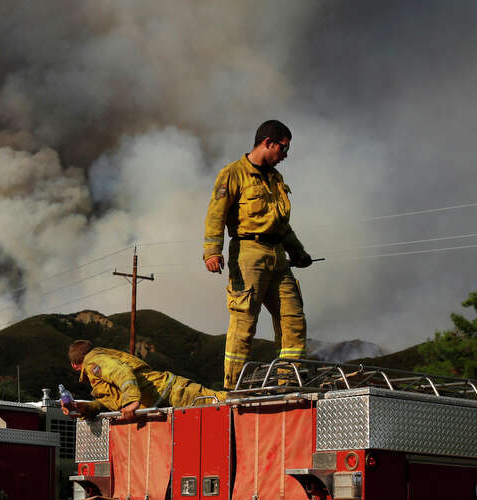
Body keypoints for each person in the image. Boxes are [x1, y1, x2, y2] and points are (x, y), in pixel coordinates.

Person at [203, 119, 315, 389]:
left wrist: (298, 253)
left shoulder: (276, 179)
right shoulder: (232, 174)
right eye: (283, 149)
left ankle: (290, 381)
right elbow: (215, 215)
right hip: (247, 253)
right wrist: (211, 251)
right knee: (244, 322)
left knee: (293, 319)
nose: (285, 155)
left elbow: (282, 224)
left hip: (277, 254)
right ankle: (234, 387)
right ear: (268, 142)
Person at [62, 340, 226, 420]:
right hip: (172, 396)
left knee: (236, 405)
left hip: (175, 393)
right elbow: (110, 402)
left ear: (74, 365)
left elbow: (122, 372)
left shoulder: (93, 361)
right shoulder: (100, 361)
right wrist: (83, 408)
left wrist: (131, 401)